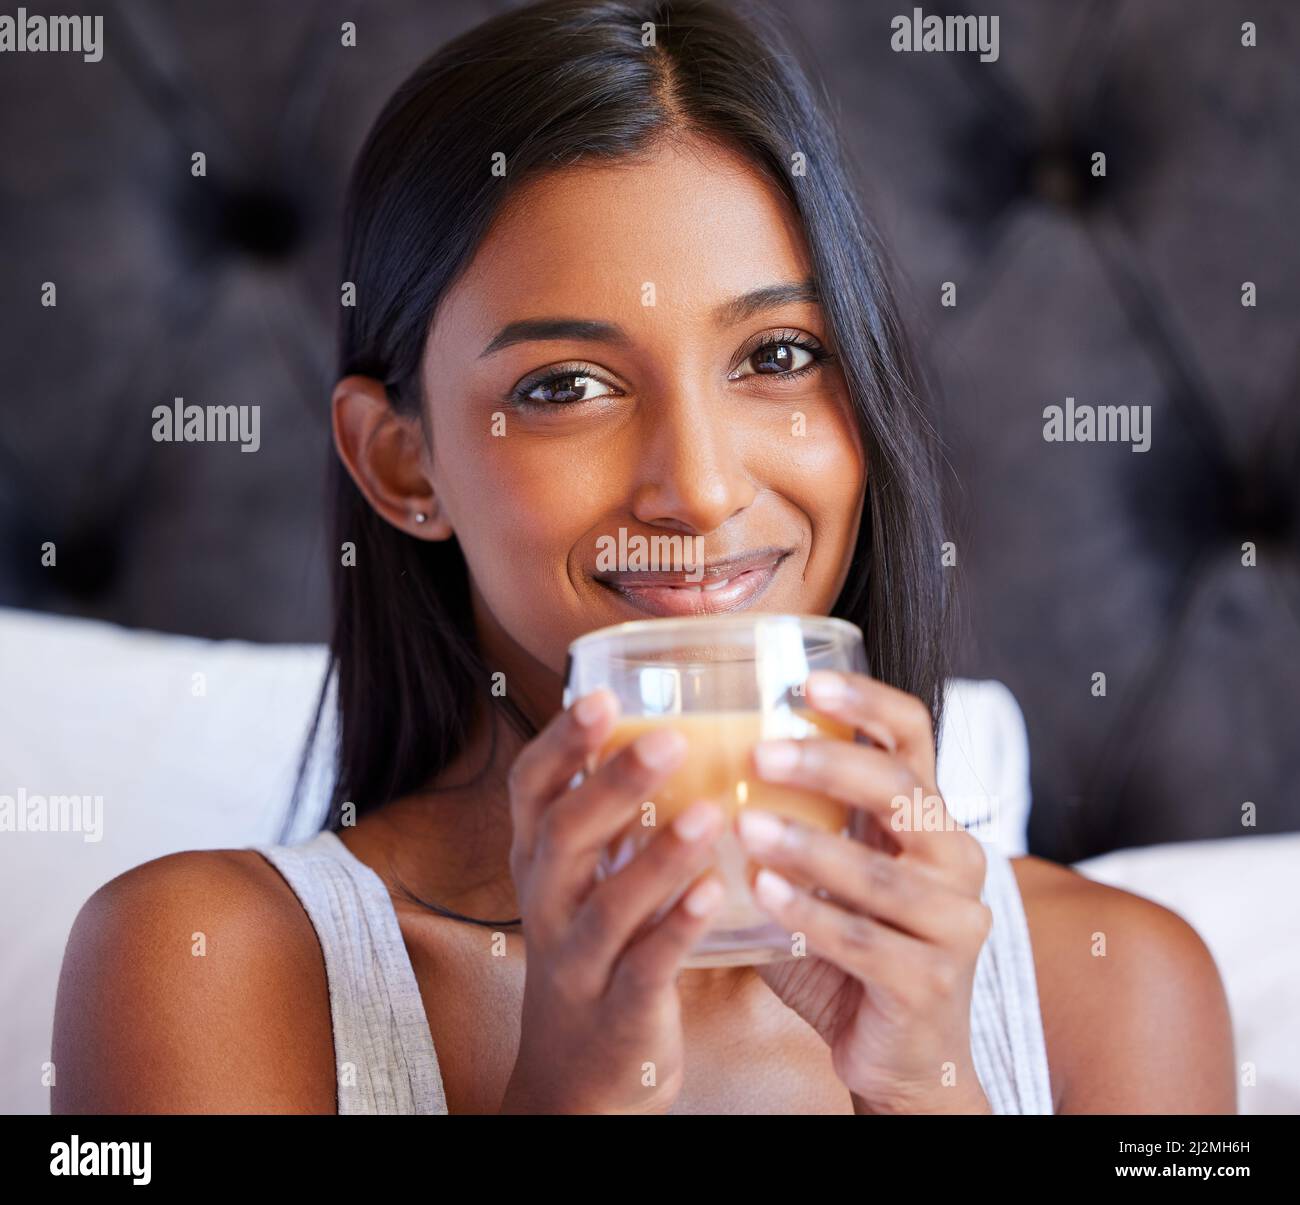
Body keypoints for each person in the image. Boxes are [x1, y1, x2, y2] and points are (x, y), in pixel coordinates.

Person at [51, 0, 1235, 1115]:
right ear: (403, 466)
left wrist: (928, 1088)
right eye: (564, 386)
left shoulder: (1122, 986)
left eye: (776, 356)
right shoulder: (201, 962)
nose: (703, 487)